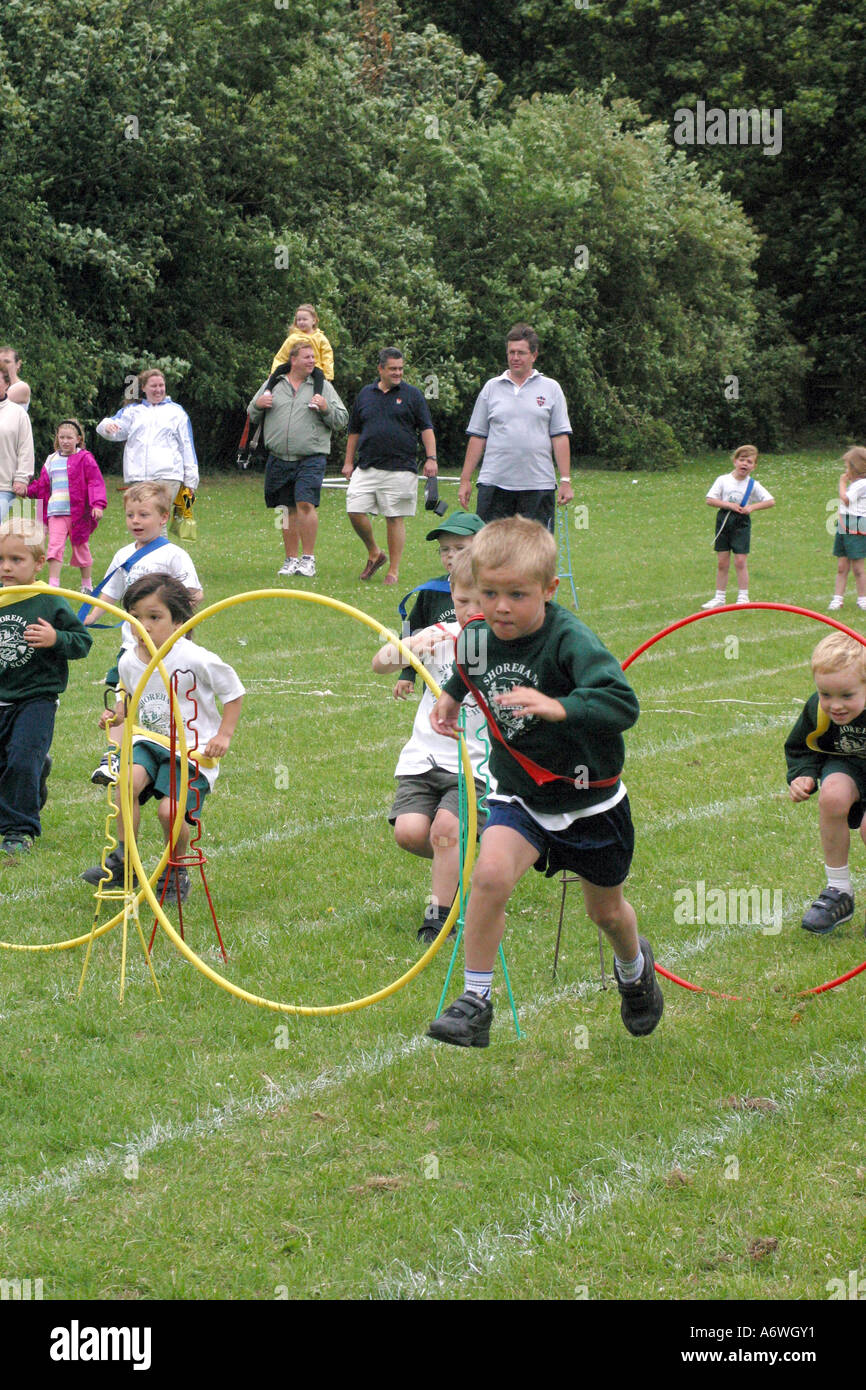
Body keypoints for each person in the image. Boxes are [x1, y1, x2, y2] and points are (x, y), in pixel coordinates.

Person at [426, 516, 662, 1048]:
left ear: (549, 590)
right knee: (488, 877)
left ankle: (634, 969)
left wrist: (559, 706)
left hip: (590, 802)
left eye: (517, 594)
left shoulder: (569, 640)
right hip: (521, 797)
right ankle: (475, 1002)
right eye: (488, 593)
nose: (500, 607)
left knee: (605, 911)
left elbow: (622, 702)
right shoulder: (479, 636)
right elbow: (468, 667)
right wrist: (450, 695)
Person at [82, 576, 244, 904]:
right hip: (151, 742)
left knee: (170, 813)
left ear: (179, 622)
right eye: (135, 616)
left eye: (154, 618)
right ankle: (125, 860)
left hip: (192, 752)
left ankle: (176, 869)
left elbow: (233, 692)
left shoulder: (195, 657)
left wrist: (224, 735)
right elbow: (128, 696)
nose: (143, 625)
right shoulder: (129, 660)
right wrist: (117, 713)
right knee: (125, 783)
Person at [372, 550, 492, 944]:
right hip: (423, 759)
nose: (470, 610)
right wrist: (414, 643)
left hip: (473, 766)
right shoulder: (443, 638)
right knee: (409, 832)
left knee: (445, 828)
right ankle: (463, 864)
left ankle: (438, 918)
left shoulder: (505, 646)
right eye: (461, 602)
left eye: (482, 601)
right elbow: (380, 663)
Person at [84, 481, 202, 785]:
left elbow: (194, 594)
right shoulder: (123, 555)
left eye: (144, 515)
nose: (135, 521)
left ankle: (174, 753)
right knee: (121, 695)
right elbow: (108, 594)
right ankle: (113, 757)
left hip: (168, 648)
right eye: (130, 515)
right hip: (131, 646)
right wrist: (86, 619)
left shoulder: (174, 555)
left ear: (163, 517)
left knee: (160, 701)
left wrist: (170, 615)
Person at [0, 516, 92, 856]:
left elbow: (82, 642)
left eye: (16, 560)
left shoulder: (49, 600)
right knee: (7, 766)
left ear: (40, 563)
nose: (6, 567)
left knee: (21, 762)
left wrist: (56, 638)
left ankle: (18, 831)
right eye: (1, 560)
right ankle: (36, 779)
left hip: (36, 698)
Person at [786, 630, 866, 934]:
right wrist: (802, 774)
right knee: (831, 796)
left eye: (847, 695)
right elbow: (800, 747)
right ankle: (839, 890)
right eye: (826, 694)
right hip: (847, 765)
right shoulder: (818, 711)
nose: (836, 705)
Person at [247, 340, 348, 578]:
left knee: (305, 503)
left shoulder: (321, 386)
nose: (312, 361)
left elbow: (342, 419)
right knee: (285, 509)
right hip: (279, 457)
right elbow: (251, 413)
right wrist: (259, 404)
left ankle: (308, 559)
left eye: (313, 357)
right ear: (293, 360)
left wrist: (325, 408)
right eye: (307, 357)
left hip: (311, 456)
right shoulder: (274, 383)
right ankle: (290, 559)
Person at [458, 324, 573, 531]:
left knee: (534, 554)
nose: (515, 357)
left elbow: (560, 437)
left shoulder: (551, 388)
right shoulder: (491, 388)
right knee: (492, 552)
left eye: (521, 352)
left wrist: (565, 480)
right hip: (494, 484)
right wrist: (465, 480)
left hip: (538, 485)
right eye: (511, 352)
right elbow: (477, 437)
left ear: (534, 355)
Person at [343, 348, 437, 586]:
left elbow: (426, 428)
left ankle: (393, 571)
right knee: (354, 509)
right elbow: (354, 430)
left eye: (400, 369)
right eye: (393, 369)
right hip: (366, 466)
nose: (397, 373)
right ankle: (375, 552)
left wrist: (431, 458)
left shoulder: (413, 395)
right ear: (381, 369)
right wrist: (348, 462)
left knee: (394, 517)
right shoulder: (365, 394)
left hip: (401, 467)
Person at [393, 510, 485, 700]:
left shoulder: (495, 588)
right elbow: (412, 630)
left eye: (460, 548)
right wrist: (408, 672)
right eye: (445, 549)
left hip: (483, 678)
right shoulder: (432, 591)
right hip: (439, 679)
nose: (451, 555)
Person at [27, 418, 107, 592]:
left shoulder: (85, 458)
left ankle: (86, 585)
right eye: (62, 437)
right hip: (56, 512)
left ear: (78, 439)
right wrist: (26, 489)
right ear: (57, 438)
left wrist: (97, 504)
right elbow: (43, 485)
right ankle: (53, 585)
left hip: (79, 514)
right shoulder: (51, 459)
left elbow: (95, 482)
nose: (65, 441)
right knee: (54, 547)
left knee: (81, 547)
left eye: (69, 438)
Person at [95, 368, 199, 497]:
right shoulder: (132, 411)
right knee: (141, 515)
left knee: (155, 514)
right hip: (138, 476)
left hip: (168, 476)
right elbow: (109, 427)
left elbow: (187, 446)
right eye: (153, 386)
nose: (158, 389)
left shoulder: (177, 412)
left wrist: (190, 481)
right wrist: (107, 427)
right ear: (143, 388)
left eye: (161, 385)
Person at [701, 445, 775, 608]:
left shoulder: (753, 484)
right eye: (742, 460)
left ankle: (743, 596)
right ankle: (719, 597)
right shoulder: (723, 480)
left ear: (754, 466)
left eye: (749, 462)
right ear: (735, 461)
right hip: (724, 520)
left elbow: (770, 501)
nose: (745, 464)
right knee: (722, 562)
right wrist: (729, 505)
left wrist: (751, 507)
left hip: (741, 523)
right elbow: (710, 499)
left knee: (740, 560)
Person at [828, 447, 866, 611]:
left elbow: (846, 500)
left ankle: (863, 599)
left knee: (858, 566)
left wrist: (842, 483)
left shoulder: (861, 484)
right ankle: (837, 599)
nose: (845, 471)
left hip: (856, 525)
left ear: (856, 467)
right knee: (842, 565)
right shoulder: (856, 484)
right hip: (845, 524)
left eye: (847, 467)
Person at [269, 304, 335, 397]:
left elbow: (327, 357)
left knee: (319, 375)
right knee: (279, 370)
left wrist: (328, 375)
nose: (301, 322)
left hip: (314, 368)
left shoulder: (320, 338)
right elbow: (281, 356)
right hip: (295, 368)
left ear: (314, 321)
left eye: (304, 319)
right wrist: (273, 372)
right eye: (299, 320)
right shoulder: (293, 338)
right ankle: (267, 391)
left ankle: (317, 397)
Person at [0, 363, 34, 523]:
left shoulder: (18, 414)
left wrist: (22, 478)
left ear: (7, 384)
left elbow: (25, 448)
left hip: (4, 486)